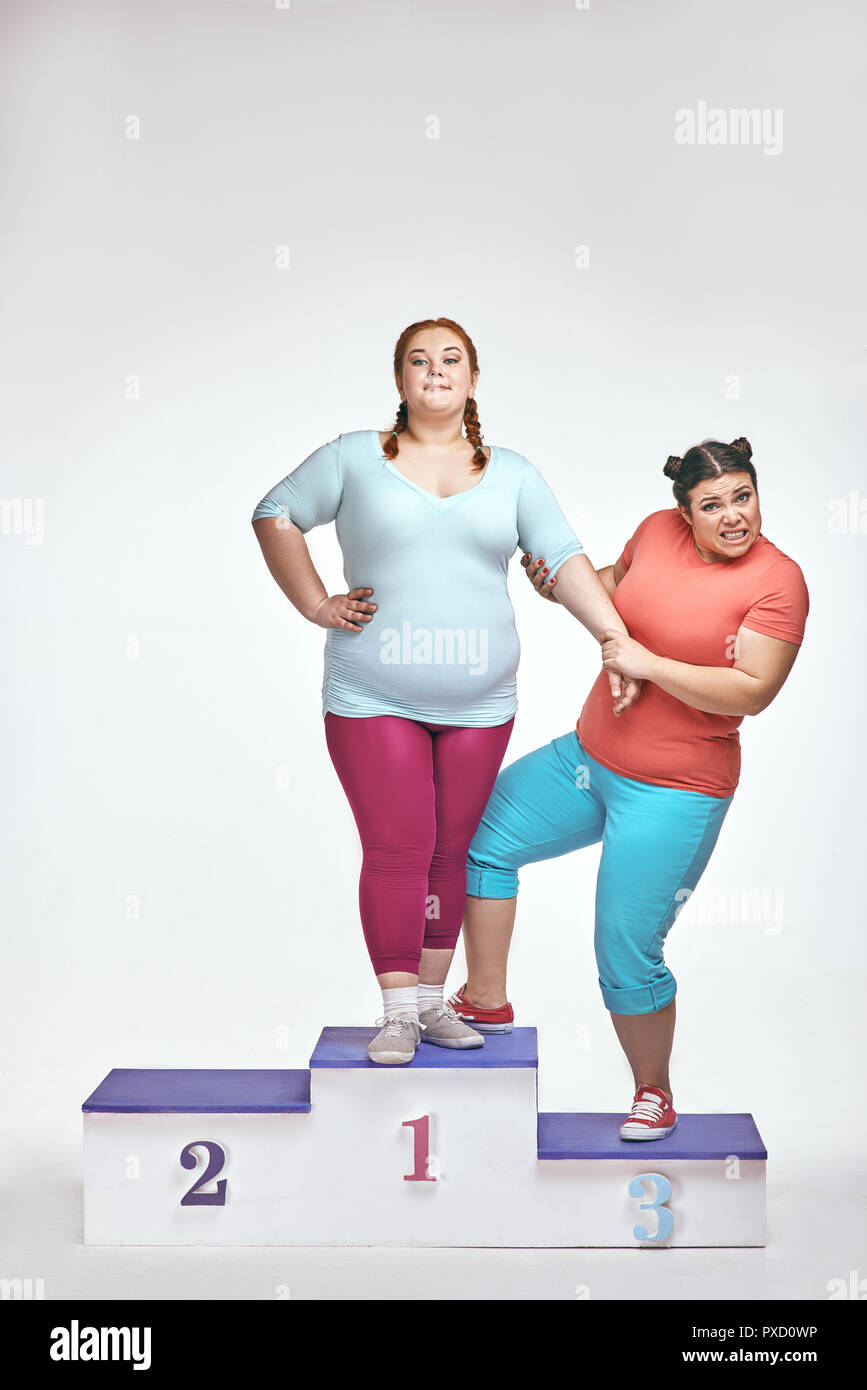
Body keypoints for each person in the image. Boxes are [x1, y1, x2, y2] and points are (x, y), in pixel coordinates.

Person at [250, 317, 639, 1064]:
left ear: (472, 377)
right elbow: (275, 513)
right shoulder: (352, 458)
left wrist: (611, 639)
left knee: (450, 851)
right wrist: (314, 602)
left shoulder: (515, 474)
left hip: (481, 702)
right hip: (373, 695)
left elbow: (561, 557)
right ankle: (397, 1011)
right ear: (399, 379)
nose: (435, 369)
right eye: (418, 360)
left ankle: (432, 1006)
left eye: (450, 358)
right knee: (400, 846)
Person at [450, 437, 809, 1136]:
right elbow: (611, 592)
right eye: (712, 505)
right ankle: (485, 998)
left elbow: (752, 688)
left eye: (742, 496)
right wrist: (551, 585)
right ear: (684, 512)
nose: (733, 516)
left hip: (674, 790)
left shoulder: (777, 581)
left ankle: (653, 1092)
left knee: (624, 948)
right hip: (586, 760)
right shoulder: (654, 530)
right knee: (479, 840)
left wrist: (647, 662)